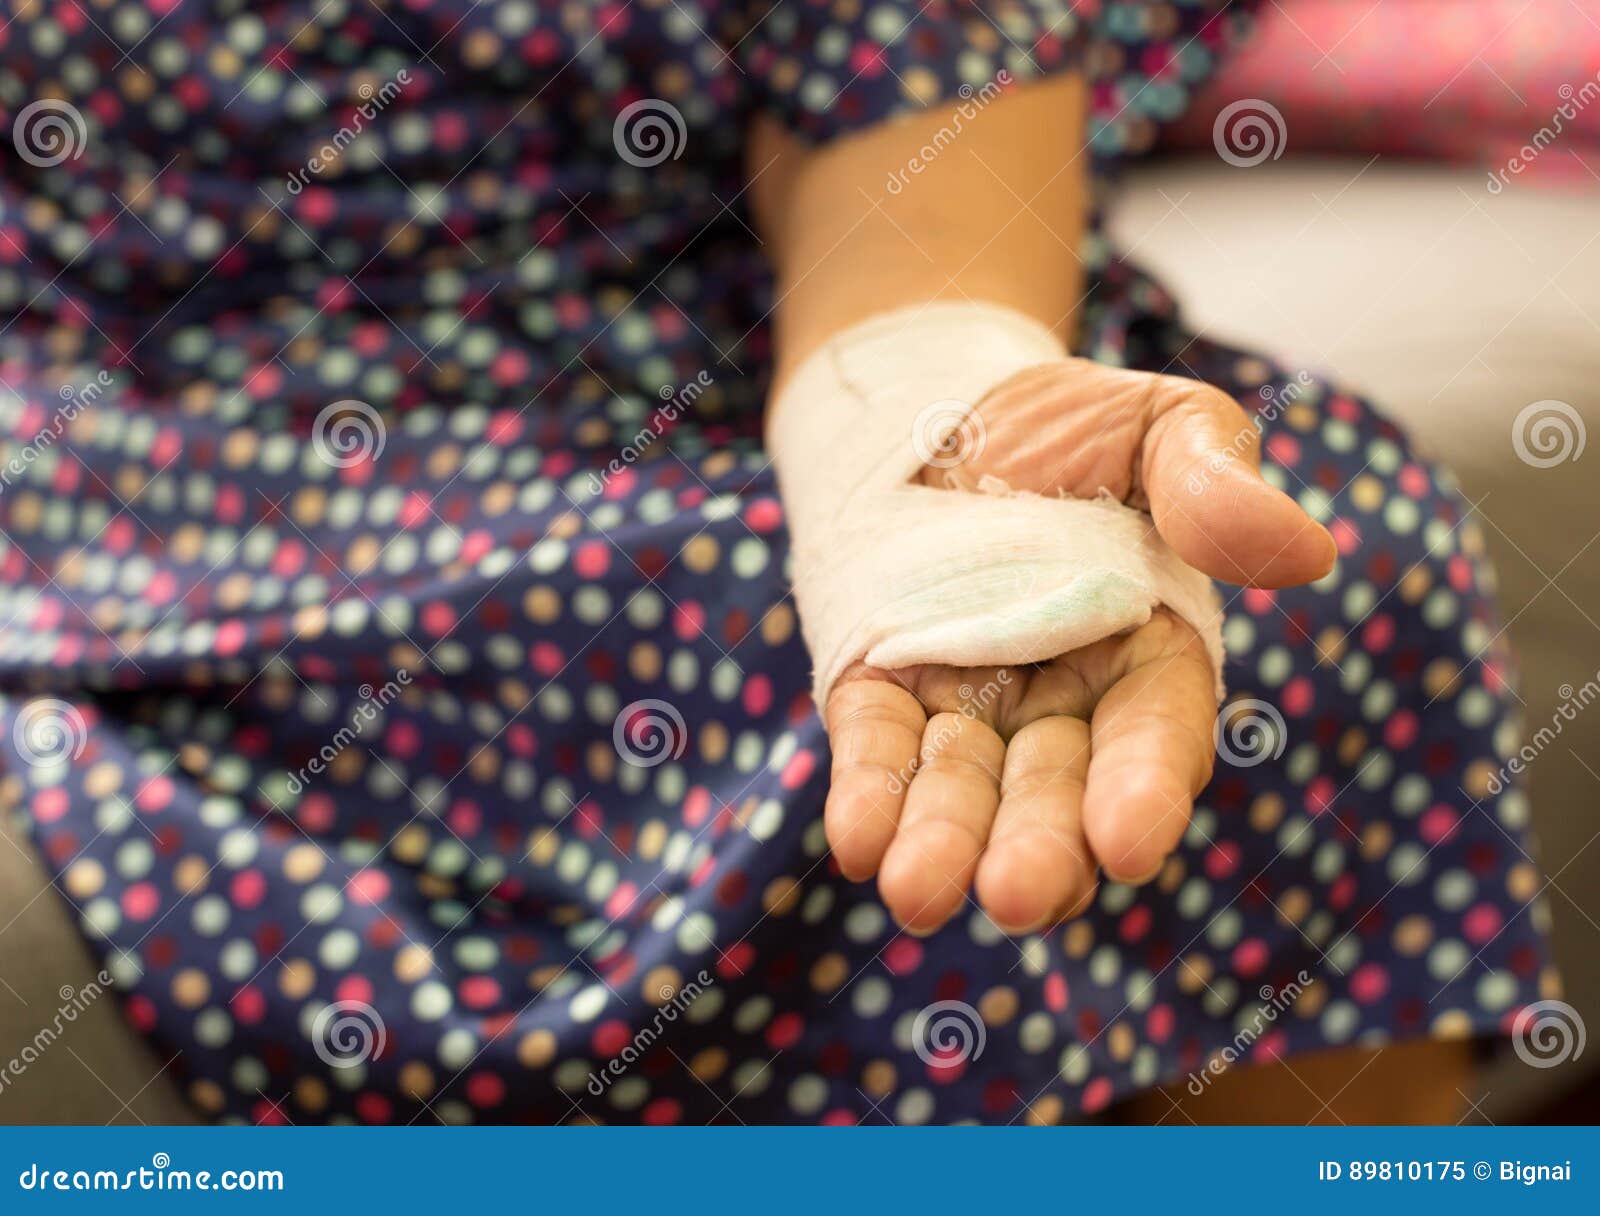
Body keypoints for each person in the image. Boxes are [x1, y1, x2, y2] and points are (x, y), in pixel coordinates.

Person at [0, 1, 1553, 1125]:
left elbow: (917, 238)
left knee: (1339, 565)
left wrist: (930, 471)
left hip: (733, 351)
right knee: (754, 684)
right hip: (177, 452)